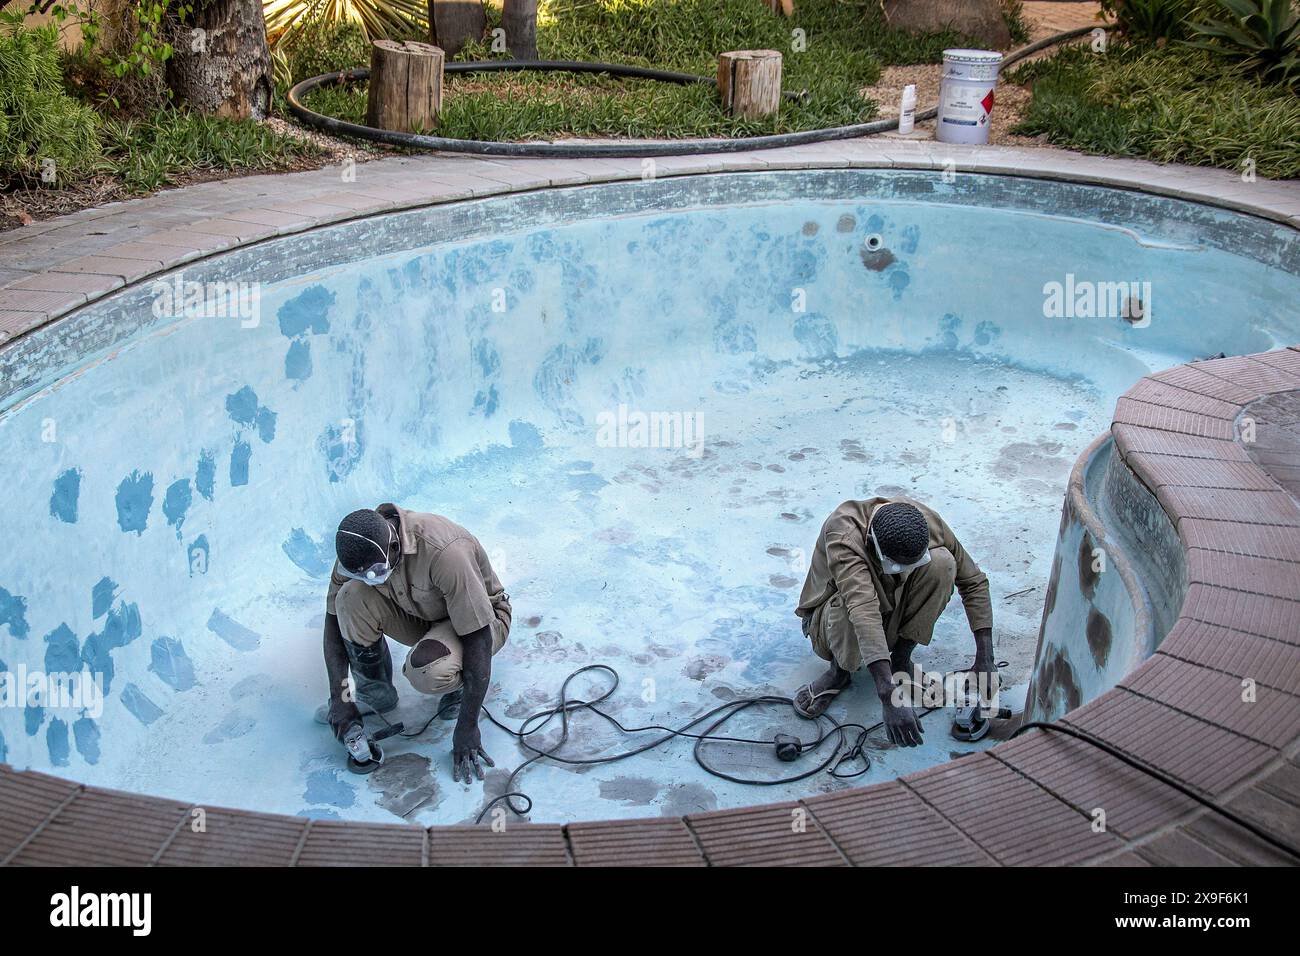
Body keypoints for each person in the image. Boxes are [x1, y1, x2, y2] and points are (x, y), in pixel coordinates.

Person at [317, 503, 511, 782]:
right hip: (421, 614)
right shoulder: (357, 553)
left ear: (394, 546)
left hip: (482, 622)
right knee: (348, 597)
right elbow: (333, 624)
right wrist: (340, 697)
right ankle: (377, 696)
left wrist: (467, 726)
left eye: (374, 572)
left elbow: (478, 638)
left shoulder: (445, 552)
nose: (368, 579)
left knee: (426, 670)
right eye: (360, 573)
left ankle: (457, 688)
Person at [792, 497, 994, 747]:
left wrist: (985, 657)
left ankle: (900, 662)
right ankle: (838, 672)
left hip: (888, 606)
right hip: (831, 622)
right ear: (873, 545)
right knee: (848, 604)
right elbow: (863, 610)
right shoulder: (843, 537)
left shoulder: (926, 522)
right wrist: (888, 695)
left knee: (942, 563)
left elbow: (973, 581)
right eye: (895, 564)